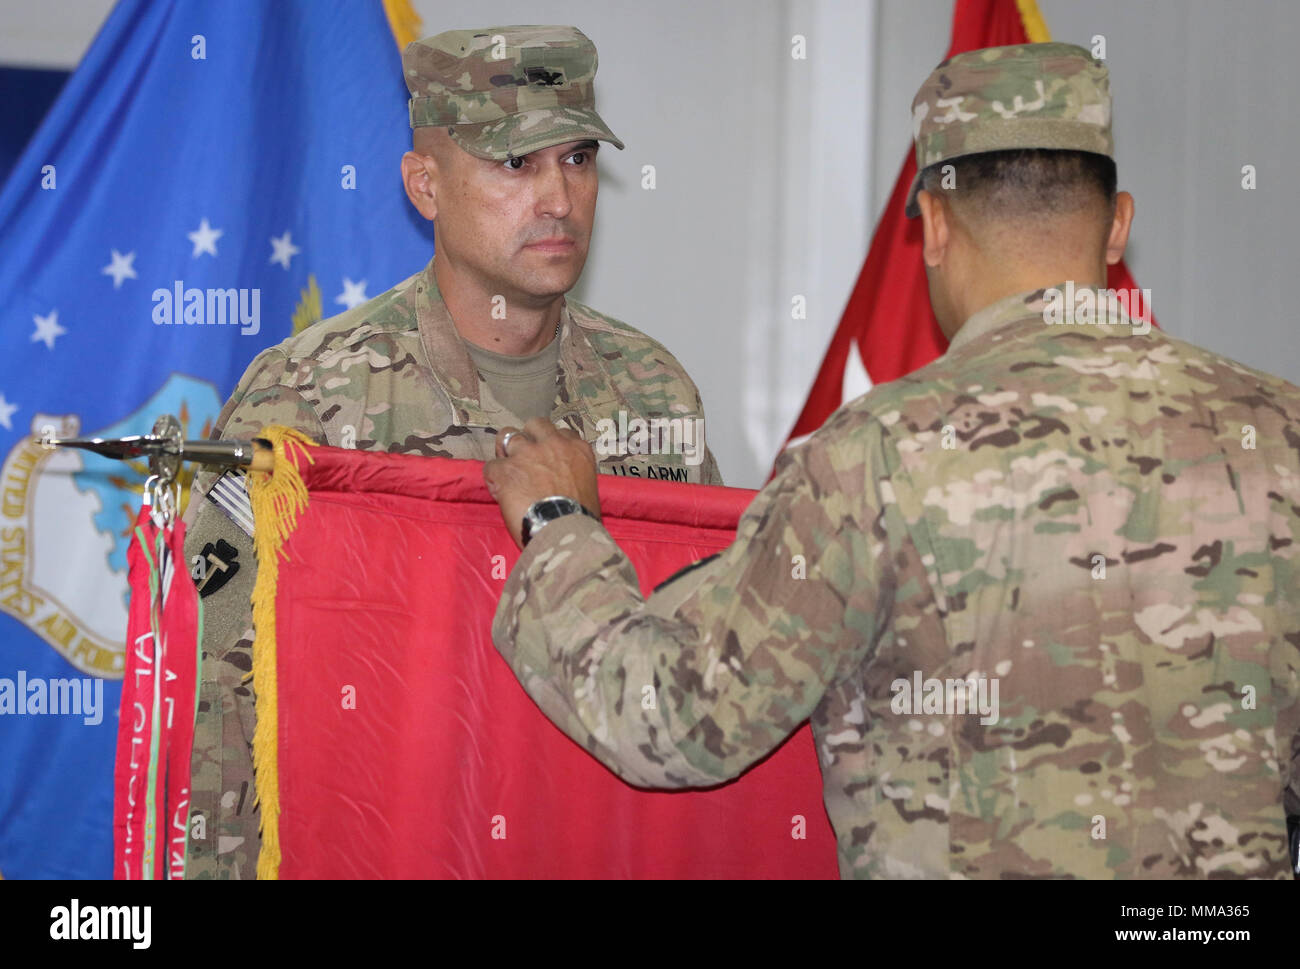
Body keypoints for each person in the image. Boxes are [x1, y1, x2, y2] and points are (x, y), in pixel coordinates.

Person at [484, 42, 1300, 879]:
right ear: (1120, 223)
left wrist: (559, 527)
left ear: (936, 227)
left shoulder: (873, 454)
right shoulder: (1282, 434)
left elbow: (677, 719)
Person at [183, 24, 723, 879]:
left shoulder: (654, 392)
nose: (558, 198)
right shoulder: (308, 397)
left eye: (577, 159)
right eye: (516, 164)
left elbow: (700, 658)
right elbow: (215, 693)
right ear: (424, 184)